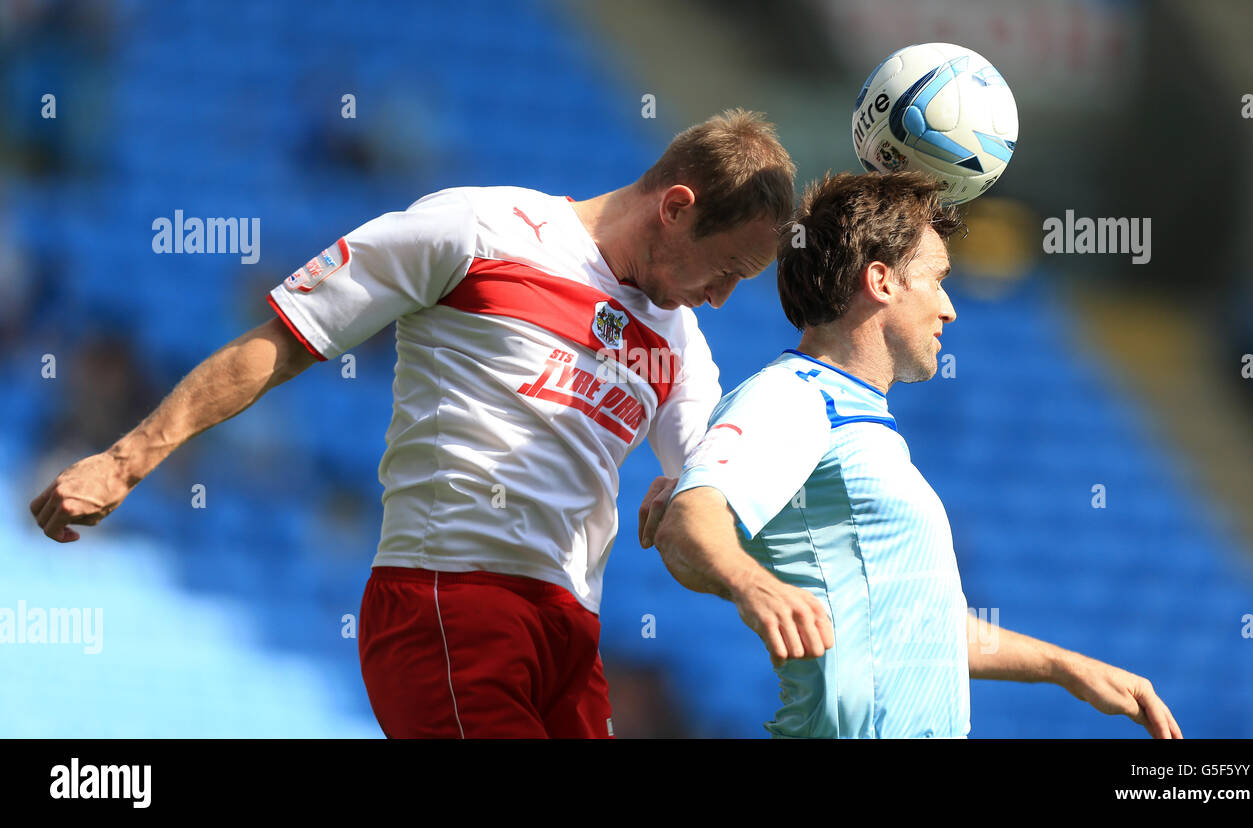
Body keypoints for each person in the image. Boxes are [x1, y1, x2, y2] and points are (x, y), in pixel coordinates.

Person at [28, 109, 809, 738]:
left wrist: (685, 485)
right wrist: (127, 460)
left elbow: (706, 480)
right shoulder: (478, 231)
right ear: (677, 208)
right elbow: (284, 341)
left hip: (571, 638)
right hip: (448, 603)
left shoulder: (678, 341)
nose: (720, 299)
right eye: (729, 271)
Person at [641, 171, 1184, 739]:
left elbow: (918, 628)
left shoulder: (859, 423)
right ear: (880, 280)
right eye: (938, 280)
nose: (949, 309)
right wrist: (752, 585)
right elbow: (687, 522)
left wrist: (1064, 667)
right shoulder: (796, 395)